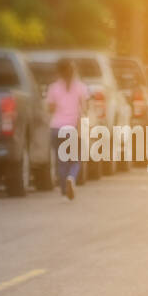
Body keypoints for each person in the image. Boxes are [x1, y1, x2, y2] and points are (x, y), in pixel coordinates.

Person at [44, 58, 88, 200]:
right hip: (72, 127)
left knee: (61, 160)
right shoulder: (80, 87)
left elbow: (50, 108)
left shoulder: (53, 87)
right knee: (75, 159)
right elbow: (84, 109)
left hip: (56, 128)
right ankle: (71, 177)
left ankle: (64, 192)